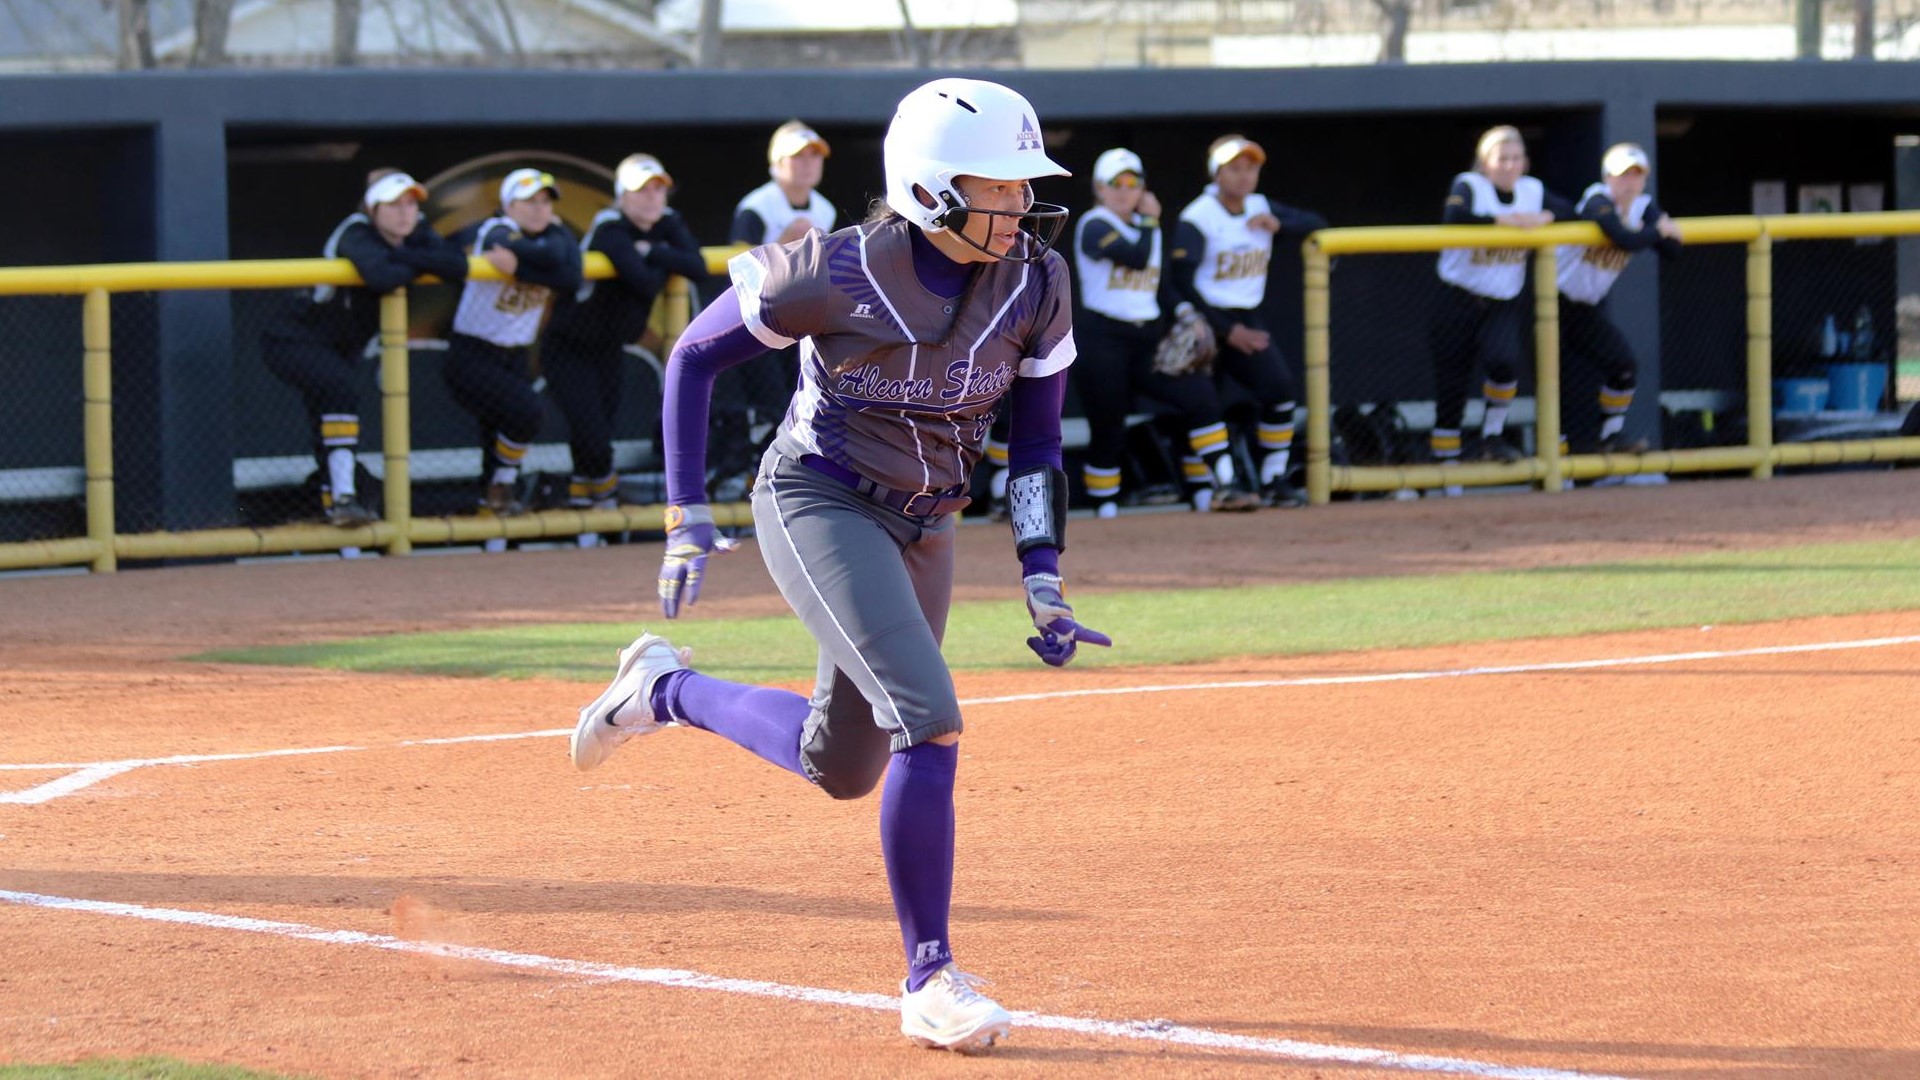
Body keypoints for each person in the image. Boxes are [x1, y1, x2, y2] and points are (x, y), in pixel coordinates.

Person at [570, 78, 1108, 1054]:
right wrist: (687, 511)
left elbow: (1037, 444)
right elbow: (692, 358)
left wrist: (1041, 568)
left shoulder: (1035, 278)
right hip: (818, 497)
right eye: (1000, 184)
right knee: (930, 720)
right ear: (933, 186)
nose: (1021, 204)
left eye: (1027, 184)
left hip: (929, 523)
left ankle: (663, 689)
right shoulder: (834, 270)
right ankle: (929, 978)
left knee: (845, 763)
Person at [261, 169, 467, 526]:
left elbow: (457, 264)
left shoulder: (415, 232)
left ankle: (335, 505)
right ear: (373, 211)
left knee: (327, 416)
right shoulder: (354, 232)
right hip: (295, 338)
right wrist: (416, 259)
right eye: (394, 205)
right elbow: (382, 276)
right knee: (339, 391)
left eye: (410, 204)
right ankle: (343, 497)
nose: (405, 213)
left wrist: (406, 257)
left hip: (341, 346)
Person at [1072, 147, 1260, 515]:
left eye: (1133, 182)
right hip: (1103, 339)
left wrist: (1189, 313)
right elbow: (1137, 256)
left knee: (1198, 396)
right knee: (1108, 425)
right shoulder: (1094, 223)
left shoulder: (1146, 226)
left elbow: (1158, 284)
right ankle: (1104, 510)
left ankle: (1223, 483)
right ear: (1099, 188)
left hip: (1146, 341)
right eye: (1116, 183)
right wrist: (1151, 221)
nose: (1125, 190)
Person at [545, 154, 709, 543]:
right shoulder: (610, 228)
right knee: (592, 433)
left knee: (600, 435)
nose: (652, 198)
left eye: (658, 189)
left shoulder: (667, 224)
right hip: (568, 346)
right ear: (622, 196)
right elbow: (642, 281)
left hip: (610, 348)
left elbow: (697, 265)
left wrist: (653, 252)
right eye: (642, 190)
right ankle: (593, 513)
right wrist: (661, 258)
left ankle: (587, 518)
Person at [1171, 134, 1327, 508]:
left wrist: (1279, 224)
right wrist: (1227, 331)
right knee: (1204, 403)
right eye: (1234, 168)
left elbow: (1317, 223)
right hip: (1206, 320)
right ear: (1216, 174)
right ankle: (1206, 490)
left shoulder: (1259, 205)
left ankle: (1273, 478)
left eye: (1251, 168)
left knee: (1279, 390)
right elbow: (1180, 283)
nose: (1244, 177)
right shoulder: (1198, 216)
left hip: (1247, 315)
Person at [1428, 125, 1576, 466]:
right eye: (1501, 158)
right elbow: (1454, 216)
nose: (1509, 165)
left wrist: (1545, 216)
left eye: (1515, 158)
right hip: (1456, 298)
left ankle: (1491, 436)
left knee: (1505, 362)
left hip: (1502, 302)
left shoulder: (1531, 190)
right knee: (1451, 387)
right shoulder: (1469, 184)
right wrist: (1504, 221)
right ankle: (1444, 469)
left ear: (1524, 162)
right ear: (1485, 162)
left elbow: (1573, 211)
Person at [445, 168, 583, 517]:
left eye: (544, 202)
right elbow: (550, 258)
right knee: (528, 412)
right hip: (472, 353)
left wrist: (519, 268)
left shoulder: (554, 235)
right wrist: (538, 258)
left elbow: (570, 276)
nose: (539, 209)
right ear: (508, 205)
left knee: (495, 436)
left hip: (516, 354)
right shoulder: (496, 229)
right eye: (528, 202)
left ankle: (491, 513)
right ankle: (503, 483)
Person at [717, 121, 842, 489]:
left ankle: (798, 478)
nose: (807, 163)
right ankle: (752, 479)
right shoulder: (757, 207)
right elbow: (736, 270)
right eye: (797, 156)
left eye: (813, 156)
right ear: (777, 162)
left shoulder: (825, 208)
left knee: (804, 402)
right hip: (758, 322)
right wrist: (786, 246)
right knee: (769, 404)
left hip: (803, 322)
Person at [1555, 142, 1682, 453]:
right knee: (1554, 381)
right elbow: (1624, 237)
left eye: (1637, 176)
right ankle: (1552, 459)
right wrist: (1656, 231)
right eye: (1623, 175)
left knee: (1623, 364)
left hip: (1585, 308)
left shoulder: (1643, 205)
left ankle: (1611, 435)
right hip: (1549, 303)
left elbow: (1673, 251)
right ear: (1608, 177)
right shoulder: (1597, 198)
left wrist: (1652, 230)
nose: (1630, 183)